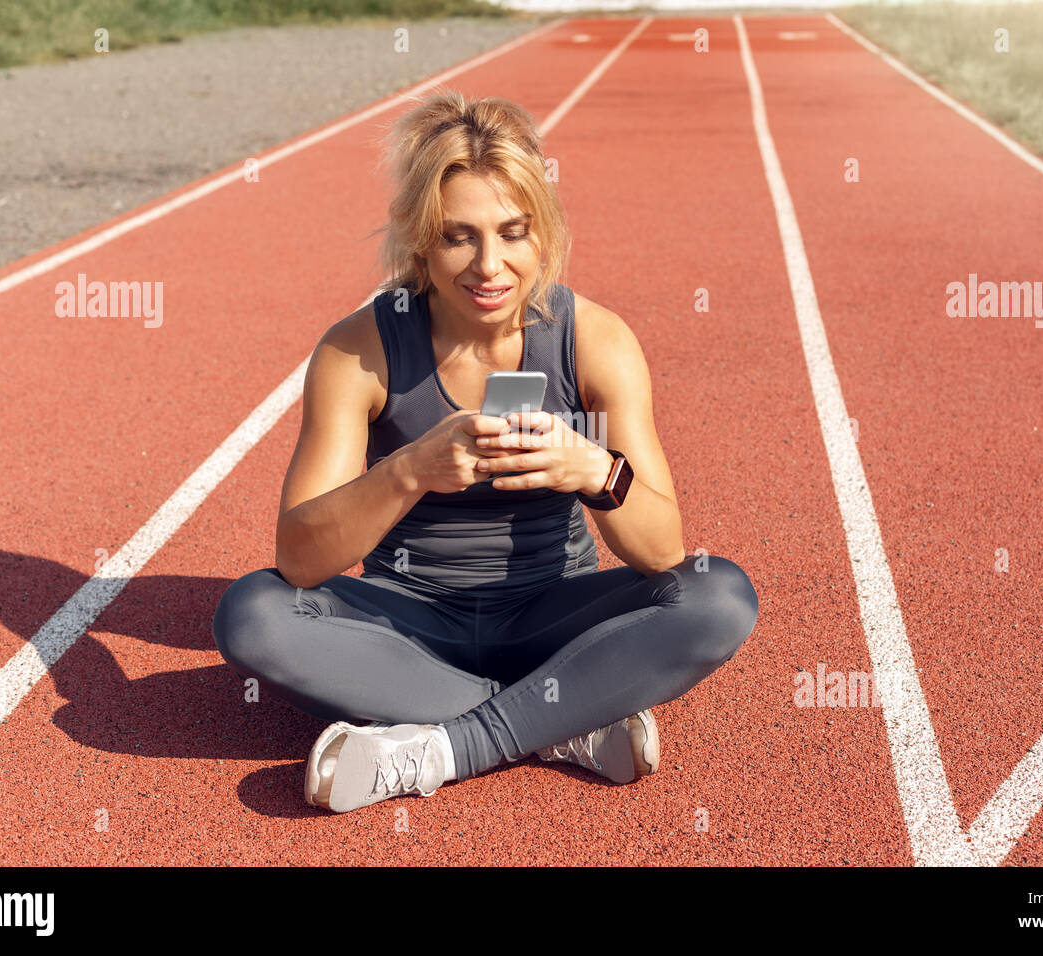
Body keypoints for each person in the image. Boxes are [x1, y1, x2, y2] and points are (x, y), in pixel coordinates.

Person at [212, 89, 759, 813]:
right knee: (252, 614)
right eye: (457, 235)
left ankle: (441, 748)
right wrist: (409, 470)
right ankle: (561, 722)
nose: (489, 265)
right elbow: (302, 559)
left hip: (551, 620)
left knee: (719, 595)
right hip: (407, 626)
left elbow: (661, 552)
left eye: (513, 231)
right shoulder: (358, 350)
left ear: (544, 234)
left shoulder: (595, 340)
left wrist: (594, 471)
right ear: (419, 239)